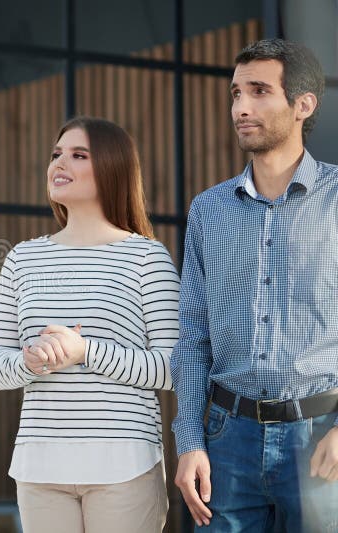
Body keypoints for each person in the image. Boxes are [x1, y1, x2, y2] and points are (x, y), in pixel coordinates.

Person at [172, 38, 338, 532]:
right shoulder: (208, 210)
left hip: (322, 440)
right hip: (228, 440)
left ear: (303, 104)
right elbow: (193, 335)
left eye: (259, 91)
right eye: (236, 92)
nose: (241, 107)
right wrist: (189, 441)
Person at [0, 116, 179, 533]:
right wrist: (31, 362)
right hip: (40, 469)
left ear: (111, 167)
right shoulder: (22, 259)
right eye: (56, 155)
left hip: (124, 465)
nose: (59, 164)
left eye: (77, 155)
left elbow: (174, 367)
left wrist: (85, 351)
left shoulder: (147, 257)